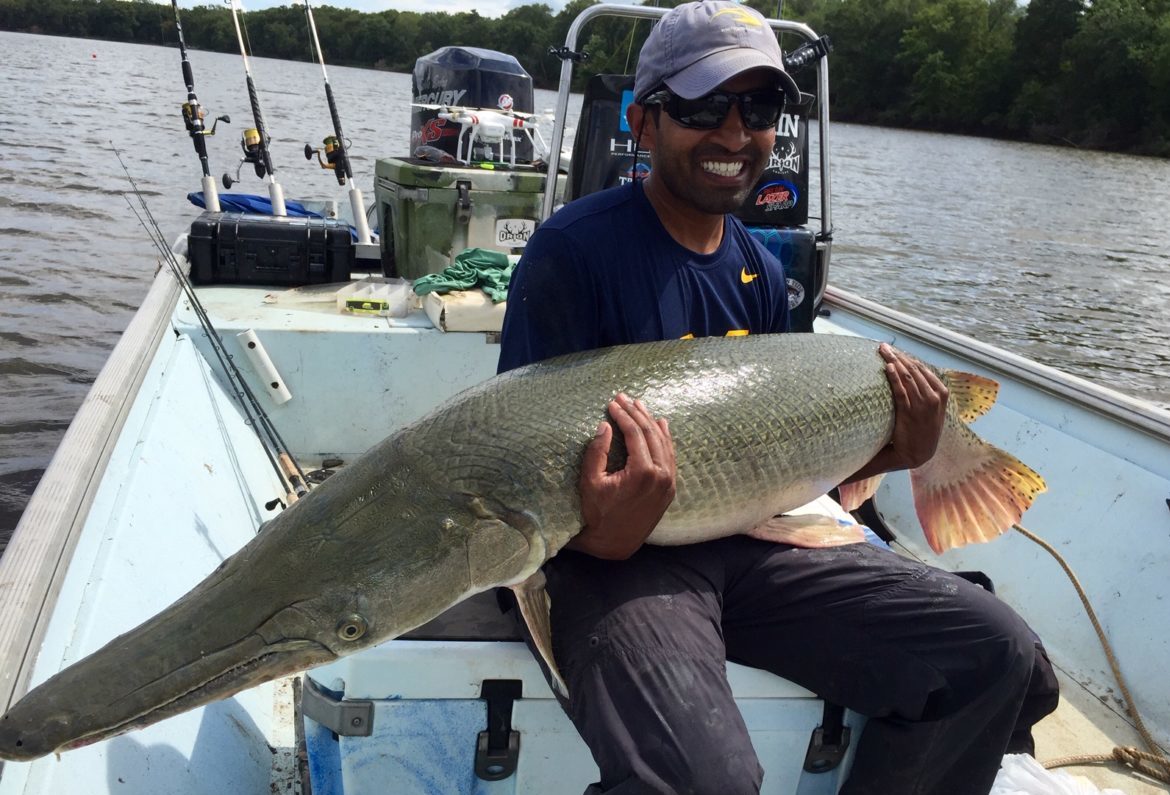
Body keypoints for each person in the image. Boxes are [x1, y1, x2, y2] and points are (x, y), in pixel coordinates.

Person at [498, 2, 1052, 793]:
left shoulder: (760, 269)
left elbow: (778, 450)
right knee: (703, 779)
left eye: (758, 107)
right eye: (700, 106)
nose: (733, 133)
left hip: (750, 542)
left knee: (996, 649)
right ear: (643, 122)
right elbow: (515, 466)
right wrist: (603, 536)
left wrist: (893, 453)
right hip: (611, 563)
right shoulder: (570, 253)